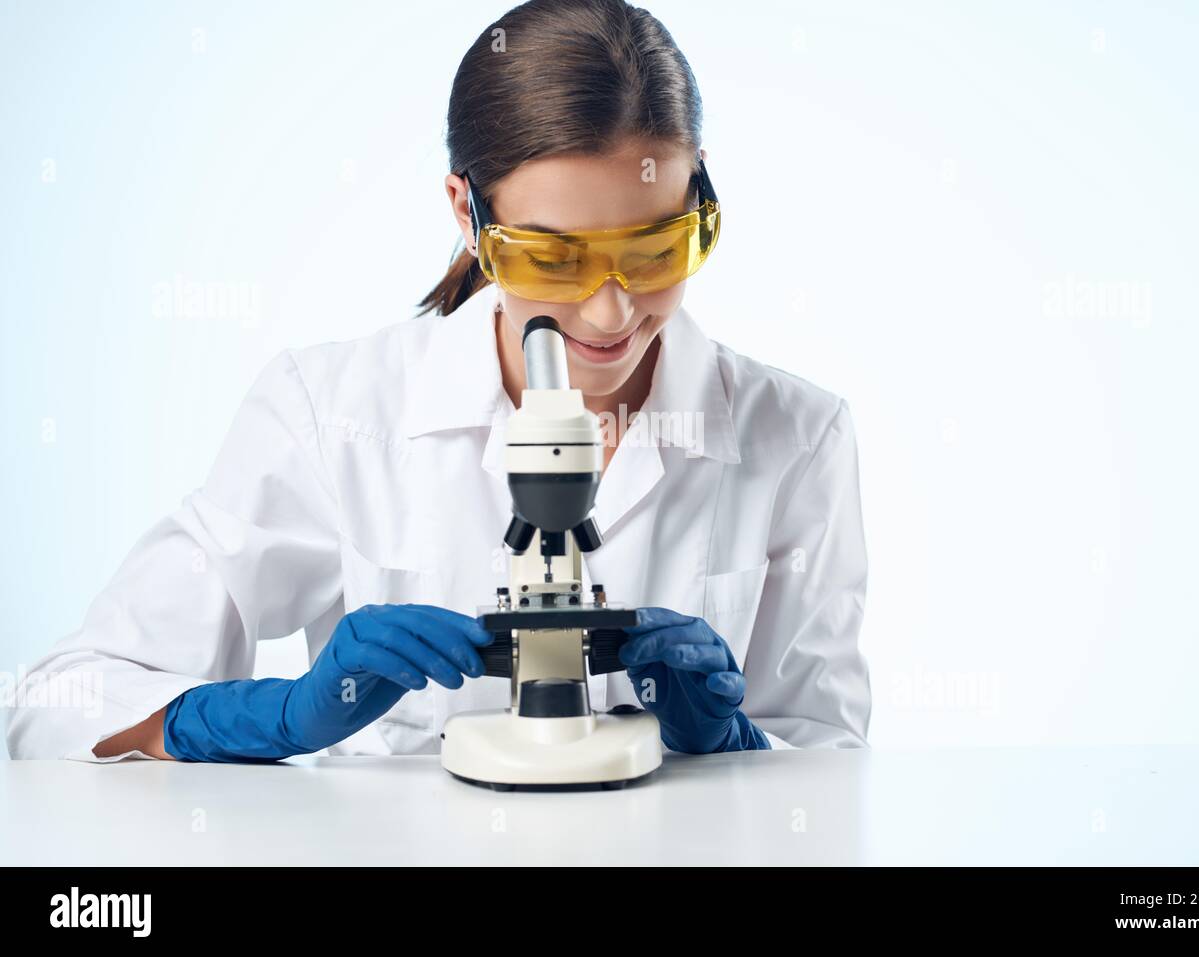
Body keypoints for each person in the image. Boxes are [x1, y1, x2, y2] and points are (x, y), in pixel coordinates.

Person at [5, 0, 870, 763]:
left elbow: (836, 775)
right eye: (551, 257)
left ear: (698, 191)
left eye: (653, 251)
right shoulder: (335, 414)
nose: (611, 314)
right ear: (468, 214)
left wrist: (738, 743)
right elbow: (57, 698)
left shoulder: (796, 436)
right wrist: (264, 719)